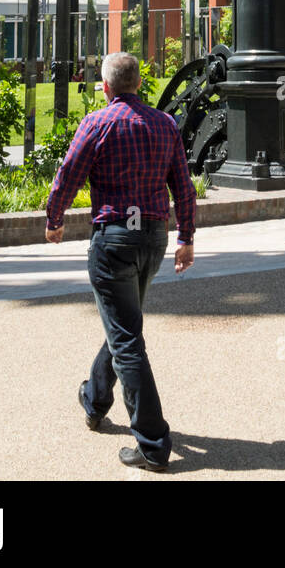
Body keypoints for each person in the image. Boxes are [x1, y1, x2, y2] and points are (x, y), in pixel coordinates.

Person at [45, 50, 195, 472]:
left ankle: (152, 444)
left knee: (127, 337)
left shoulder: (97, 122)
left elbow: (68, 175)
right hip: (153, 239)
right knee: (125, 323)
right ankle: (94, 399)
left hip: (114, 241)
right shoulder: (165, 124)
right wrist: (186, 238)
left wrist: (54, 221)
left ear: (106, 87)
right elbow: (183, 186)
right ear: (138, 85)